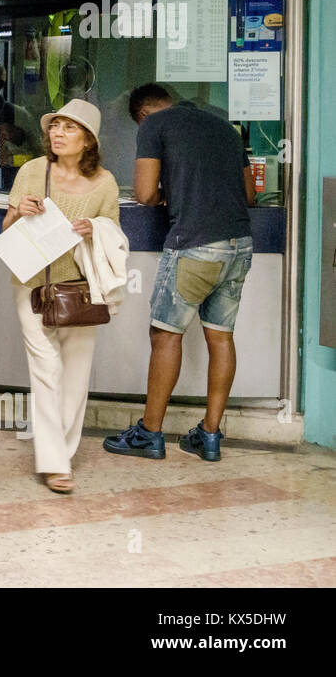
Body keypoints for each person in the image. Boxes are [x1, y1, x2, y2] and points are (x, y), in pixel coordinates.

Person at [104, 84, 255, 463]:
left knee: (165, 334)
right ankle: (209, 435)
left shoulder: (154, 126)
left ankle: (150, 434)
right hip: (239, 244)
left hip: (194, 244)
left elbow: (143, 193)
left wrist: (167, 194)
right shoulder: (224, 126)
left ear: (143, 113)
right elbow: (249, 194)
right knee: (221, 337)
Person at [2, 99, 120, 493]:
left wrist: (96, 229)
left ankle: (63, 452)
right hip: (32, 284)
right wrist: (19, 211)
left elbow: (116, 237)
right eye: (55, 126)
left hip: (81, 289)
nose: (57, 133)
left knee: (75, 375)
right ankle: (54, 464)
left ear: (88, 140)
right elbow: (6, 226)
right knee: (46, 371)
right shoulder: (33, 171)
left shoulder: (105, 182)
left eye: (69, 128)